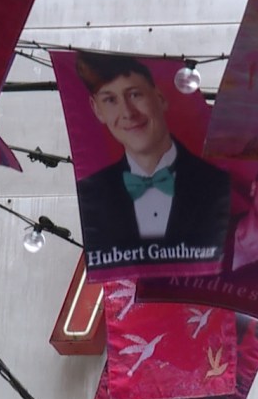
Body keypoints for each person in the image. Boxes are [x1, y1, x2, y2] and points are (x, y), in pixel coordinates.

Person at [74, 52, 230, 271]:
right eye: (110, 100)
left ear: (159, 98)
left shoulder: (217, 184)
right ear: (96, 109)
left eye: (135, 94)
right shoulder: (95, 192)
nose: (127, 112)